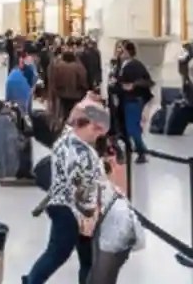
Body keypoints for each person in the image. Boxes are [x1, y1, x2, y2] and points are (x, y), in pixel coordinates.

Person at [23, 99, 117, 284]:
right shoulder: (79, 151)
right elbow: (80, 187)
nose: (97, 138)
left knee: (79, 256)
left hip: (64, 206)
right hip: (73, 211)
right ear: (91, 126)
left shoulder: (66, 138)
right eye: (97, 132)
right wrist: (89, 215)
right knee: (60, 253)